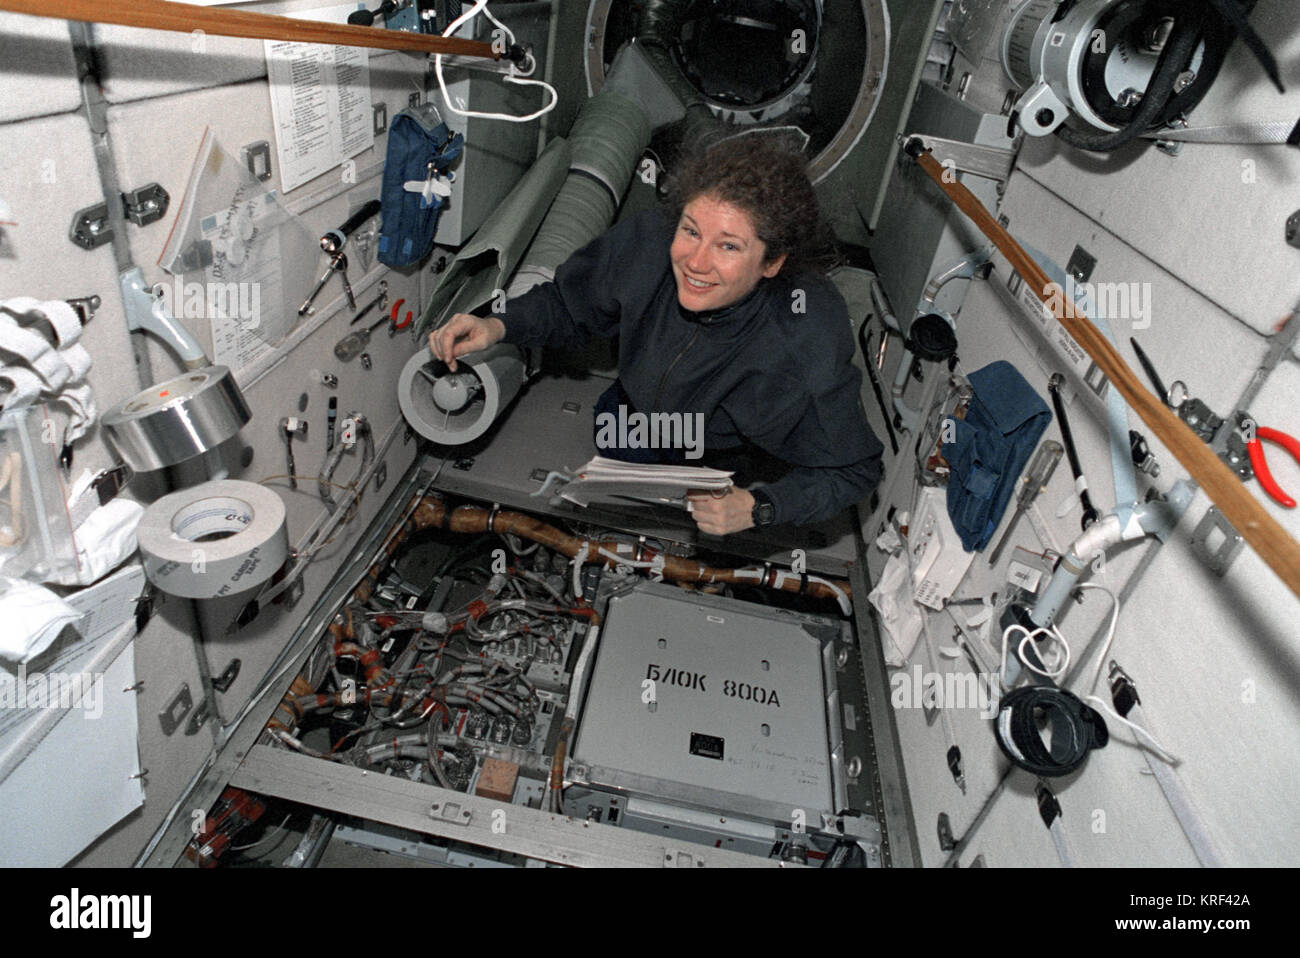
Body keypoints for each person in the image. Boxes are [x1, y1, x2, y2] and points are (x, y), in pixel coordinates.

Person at [429, 136, 883, 536]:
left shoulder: (803, 346)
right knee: (614, 441)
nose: (696, 262)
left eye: (728, 246)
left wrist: (760, 507)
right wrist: (498, 324)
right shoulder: (648, 244)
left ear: (772, 263)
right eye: (691, 231)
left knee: (702, 509)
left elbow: (856, 468)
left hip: (718, 452)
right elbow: (569, 304)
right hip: (632, 412)